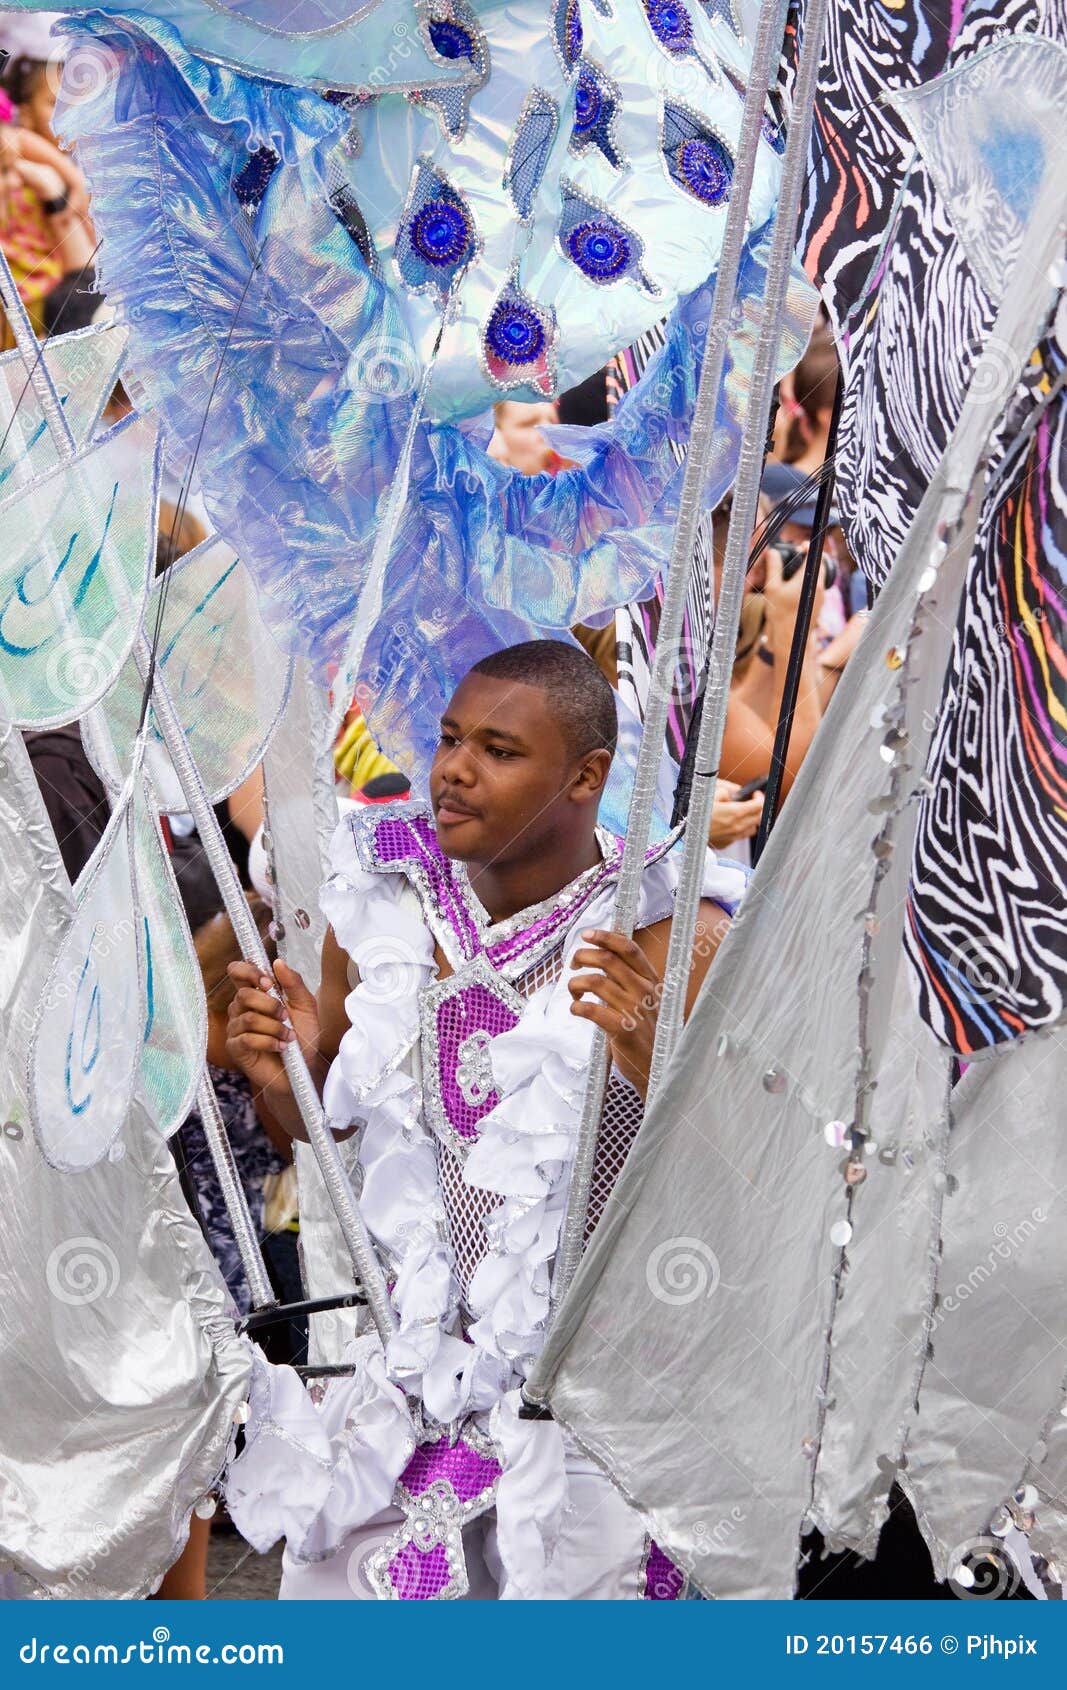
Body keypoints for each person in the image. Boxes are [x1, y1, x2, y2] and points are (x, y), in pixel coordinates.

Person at [226, 640, 746, 1600]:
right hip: (411, 1386)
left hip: (590, 1415)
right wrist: (287, 1074)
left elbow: (753, 1181)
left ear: (587, 776)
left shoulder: (677, 934)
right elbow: (324, 1136)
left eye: (500, 751)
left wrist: (656, 1064)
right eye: (451, 739)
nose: (455, 769)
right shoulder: (388, 900)